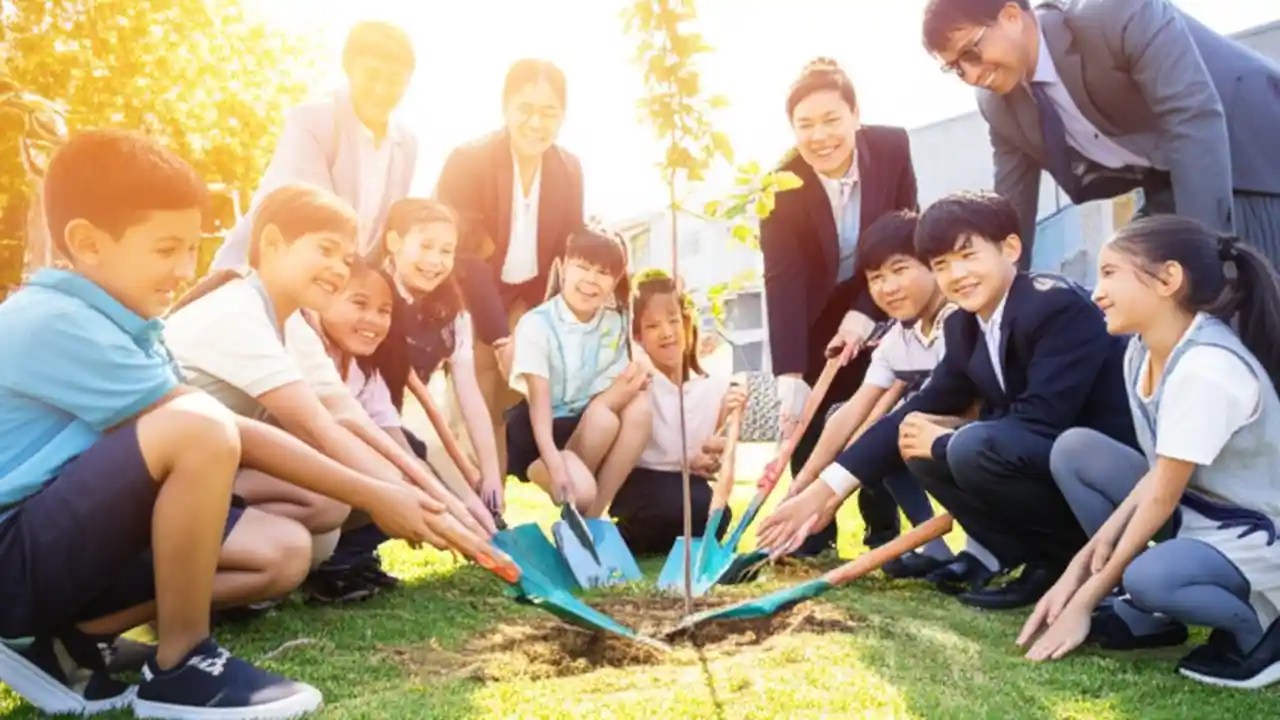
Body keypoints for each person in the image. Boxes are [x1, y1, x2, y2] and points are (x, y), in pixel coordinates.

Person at [0, 130, 467, 718]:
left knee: (280, 554)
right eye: (166, 249)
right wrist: (378, 494)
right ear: (88, 243)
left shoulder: (130, 325)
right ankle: (181, 666)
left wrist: (396, 495)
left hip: (61, 542)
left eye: (192, 249)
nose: (185, 269)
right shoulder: (54, 320)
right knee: (197, 425)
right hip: (13, 557)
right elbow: (223, 429)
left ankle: (65, 637)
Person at [766, 191, 1137, 609]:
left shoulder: (1055, 306)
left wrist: (945, 440)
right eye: (942, 265)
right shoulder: (965, 327)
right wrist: (822, 492)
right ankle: (1047, 563)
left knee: (964, 445)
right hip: (1042, 457)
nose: (956, 274)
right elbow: (911, 412)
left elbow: (1043, 420)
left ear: (1010, 248)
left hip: (1109, 471)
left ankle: (1091, 567)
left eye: (967, 256)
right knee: (913, 438)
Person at [164, 183, 494, 604]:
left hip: (209, 474)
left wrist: (447, 503)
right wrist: (401, 501)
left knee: (325, 514)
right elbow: (317, 425)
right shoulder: (236, 312)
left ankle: (237, 570)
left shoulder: (291, 320)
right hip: (162, 484)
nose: (339, 268)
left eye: (346, 258)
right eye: (325, 250)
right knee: (301, 541)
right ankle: (163, 585)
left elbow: (347, 414)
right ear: (272, 244)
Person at [1018, 216, 1280, 689]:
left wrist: (1081, 600)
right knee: (1077, 451)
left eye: (1110, 273)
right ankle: (1146, 617)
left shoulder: (1206, 367)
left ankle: (1258, 630)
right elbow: (1159, 474)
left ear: (1168, 279)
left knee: (1150, 578)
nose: (1096, 292)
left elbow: (1161, 495)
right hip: (1202, 514)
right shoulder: (1140, 351)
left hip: (1256, 531)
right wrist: (1077, 570)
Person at [922, 0, 1280, 268]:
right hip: (1170, 180)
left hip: (1254, 145)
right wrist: (996, 299)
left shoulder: (1113, 14)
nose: (969, 75)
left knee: (1238, 300)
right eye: (955, 68)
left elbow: (1191, 118)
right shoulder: (998, 104)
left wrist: (1205, 258)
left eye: (971, 51)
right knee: (1126, 276)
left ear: (1012, 16)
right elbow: (1013, 209)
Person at [759, 211, 996, 580]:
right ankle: (932, 547)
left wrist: (831, 492)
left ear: (932, 266)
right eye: (876, 278)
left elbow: (974, 406)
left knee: (900, 430)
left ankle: (984, 551)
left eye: (900, 270)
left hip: (991, 439)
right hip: (941, 437)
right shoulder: (897, 341)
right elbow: (851, 413)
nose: (888, 288)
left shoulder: (961, 321)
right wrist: (799, 488)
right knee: (880, 433)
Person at [760, 57, 920, 556]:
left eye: (831, 120)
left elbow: (904, 234)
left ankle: (883, 528)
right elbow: (782, 281)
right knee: (808, 414)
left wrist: (866, 312)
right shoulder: (779, 183)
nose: (820, 136)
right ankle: (812, 535)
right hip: (810, 309)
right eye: (804, 125)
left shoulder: (892, 147)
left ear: (856, 115)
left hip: (877, 295)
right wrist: (789, 374)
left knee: (872, 406)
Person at [435, 58, 584, 479]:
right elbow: (466, 256)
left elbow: (570, 248)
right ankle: (488, 508)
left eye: (549, 111)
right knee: (481, 400)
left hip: (530, 297)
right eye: (525, 108)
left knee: (508, 397)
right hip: (474, 294)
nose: (537, 122)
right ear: (505, 107)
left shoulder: (569, 169)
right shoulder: (468, 160)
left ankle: (496, 503)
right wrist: (499, 337)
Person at [210, 21, 418, 269]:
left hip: (337, 281)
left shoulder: (405, 144)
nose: (382, 89)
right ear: (349, 68)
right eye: (372, 74)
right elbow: (317, 218)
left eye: (395, 79)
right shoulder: (313, 121)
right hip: (264, 272)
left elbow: (382, 236)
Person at [506, 226, 651, 516]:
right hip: (543, 434)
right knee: (584, 481)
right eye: (582, 267)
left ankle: (593, 517)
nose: (591, 280)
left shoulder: (615, 321)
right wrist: (555, 466)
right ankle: (546, 470)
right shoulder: (537, 324)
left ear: (615, 280)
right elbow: (539, 405)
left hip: (590, 423)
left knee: (636, 409)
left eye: (603, 272)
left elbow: (624, 385)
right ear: (563, 267)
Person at [611, 269, 745, 554]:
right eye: (652, 326)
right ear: (638, 336)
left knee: (714, 517)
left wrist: (712, 451)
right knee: (672, 508)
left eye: (674, 321)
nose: (667, 333)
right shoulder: (640, 375)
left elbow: (714, 453)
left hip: (685, 481)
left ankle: (655, 542)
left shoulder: (711, 385)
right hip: (642, 480)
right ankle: (624, 537)